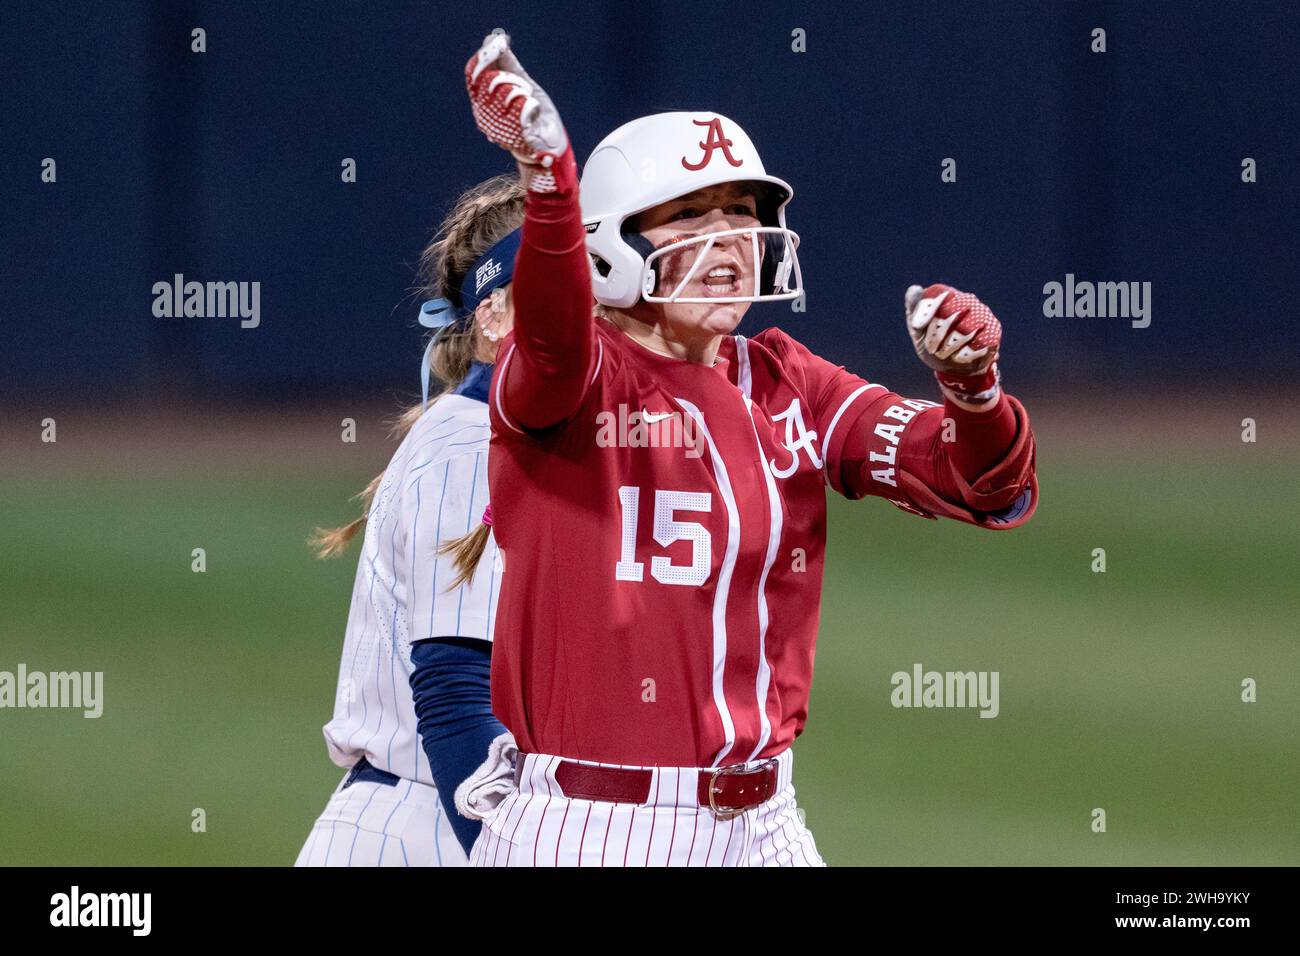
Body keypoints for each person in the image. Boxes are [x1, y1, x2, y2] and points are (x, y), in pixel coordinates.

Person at [457, 32, 1037, 867]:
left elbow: (971, 479)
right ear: (613, 242)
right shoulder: (576, 375)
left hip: (767, 825)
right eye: (691, 213)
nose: (728, 235)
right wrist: (548, 183)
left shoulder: (785, 383)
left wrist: (973, 390)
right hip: (592, 826)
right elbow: (549, 343)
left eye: (742, 211)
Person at [295, 173, 523, 866]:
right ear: (494, 313)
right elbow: (456, 695)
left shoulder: (502, 438)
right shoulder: (468, 445)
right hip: (432, 824)